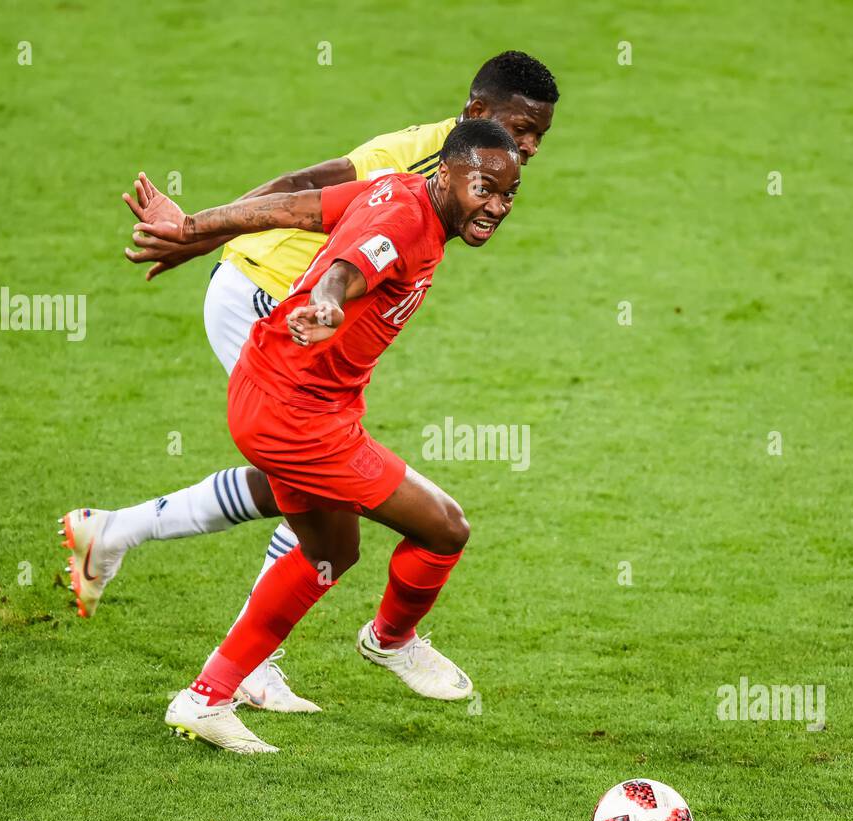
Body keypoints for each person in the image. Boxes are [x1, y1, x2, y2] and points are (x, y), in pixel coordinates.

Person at [60, 52, 558, 715]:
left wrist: (198, 229)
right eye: (518, 128)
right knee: (324, 488)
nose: (525, 148)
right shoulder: (414, 167)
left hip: (297, 313)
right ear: (474, 115)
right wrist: (198, 237)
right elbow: (305, 192)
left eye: (537, 139)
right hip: (271, 301)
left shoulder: (465, 179)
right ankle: (251, 667)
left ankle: (115, 536)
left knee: (303, 488)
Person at [134, 118, 522, 753]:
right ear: (447, 173)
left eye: (508, 194)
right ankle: (391, 640)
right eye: (485, 187)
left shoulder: (395, 190)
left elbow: (291, 208)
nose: (497, 206)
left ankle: (206, 698)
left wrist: (192, 226)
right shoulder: (404, 221)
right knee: (445, 529)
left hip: (267, 392)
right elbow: (348, 267)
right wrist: (330, 301)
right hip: (299, 419)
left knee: (330, 551)